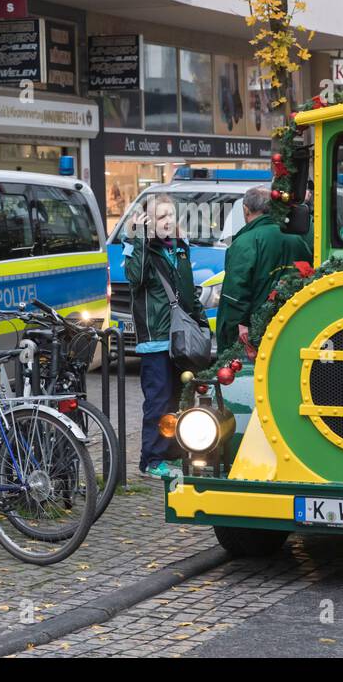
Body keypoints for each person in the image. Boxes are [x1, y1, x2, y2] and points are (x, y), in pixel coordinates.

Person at [124, 194, 201, 479]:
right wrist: (140, 239)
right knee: (158, 402)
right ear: (147, 222)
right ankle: (151, 459)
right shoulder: (136, 249)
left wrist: (199, 322)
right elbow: (137, 279)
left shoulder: (179, 249)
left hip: (180, 339)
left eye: (171, 215)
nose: (168, 221)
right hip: (155, 339)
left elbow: (188, 291)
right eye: (160, 217)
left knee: (178, 399)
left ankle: (172, 453)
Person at [216, 186, 312, 353]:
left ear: (246, 210)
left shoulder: (245, 243)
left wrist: (231, 337)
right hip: (291, 327)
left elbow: (235, 296)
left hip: (254, 339)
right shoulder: (297, 240)